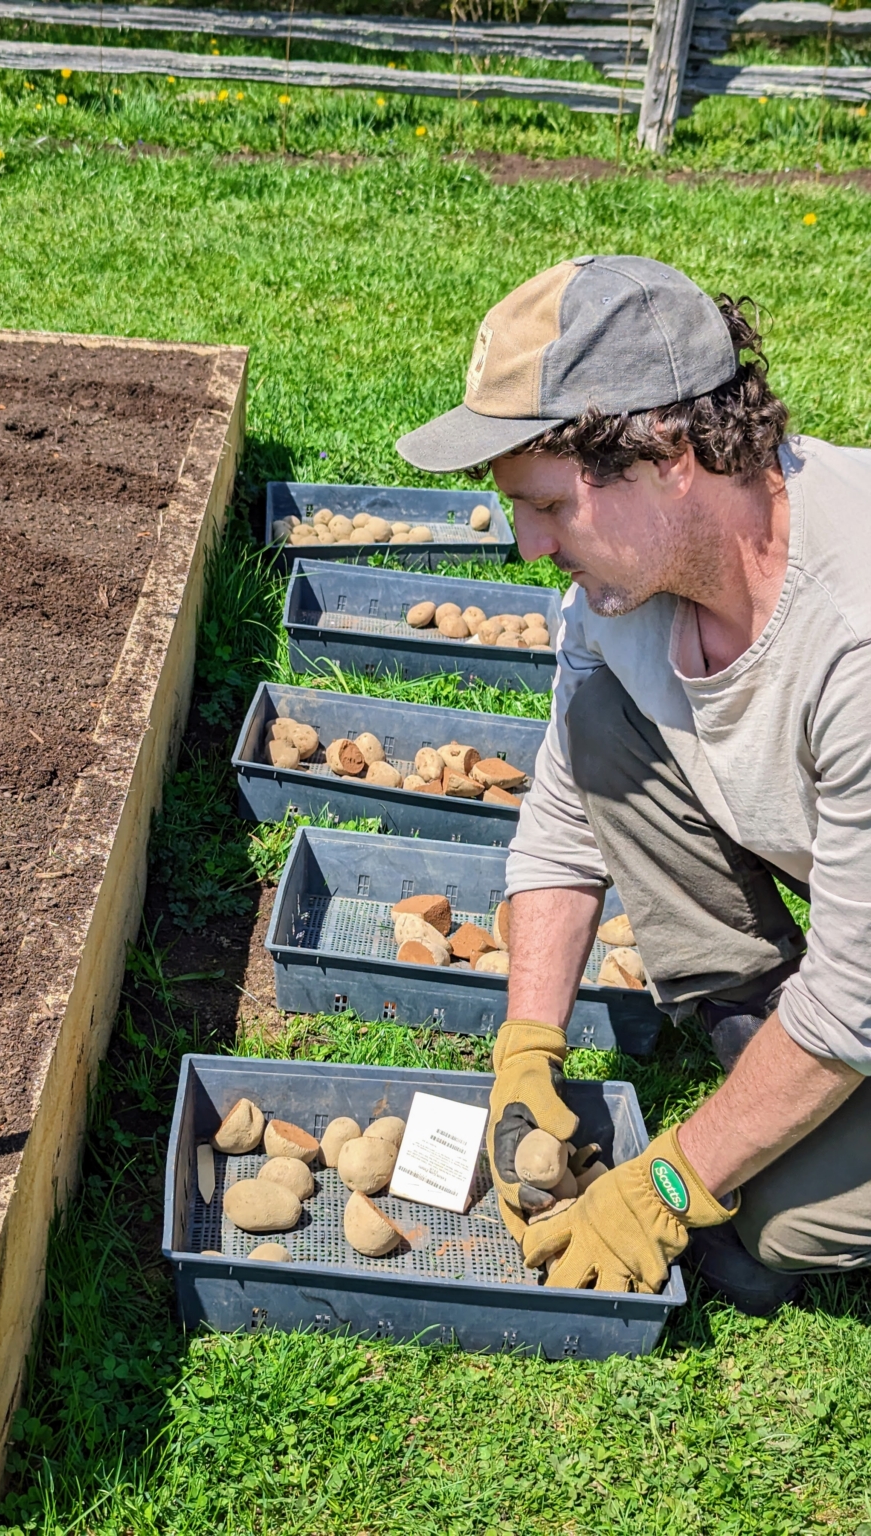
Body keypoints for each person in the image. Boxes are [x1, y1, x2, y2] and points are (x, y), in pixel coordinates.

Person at [396, 255, 871, 1314]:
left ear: (668, 451)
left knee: (776, 1222)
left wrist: (663, 1187)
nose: (527, 544)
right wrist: (526, 1047)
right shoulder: (623, 594)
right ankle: (763, 1050)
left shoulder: (854, 636)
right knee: (603, 719)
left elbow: (855, 999)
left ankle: (794, 1121)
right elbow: (568, 814)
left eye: (547, 505)